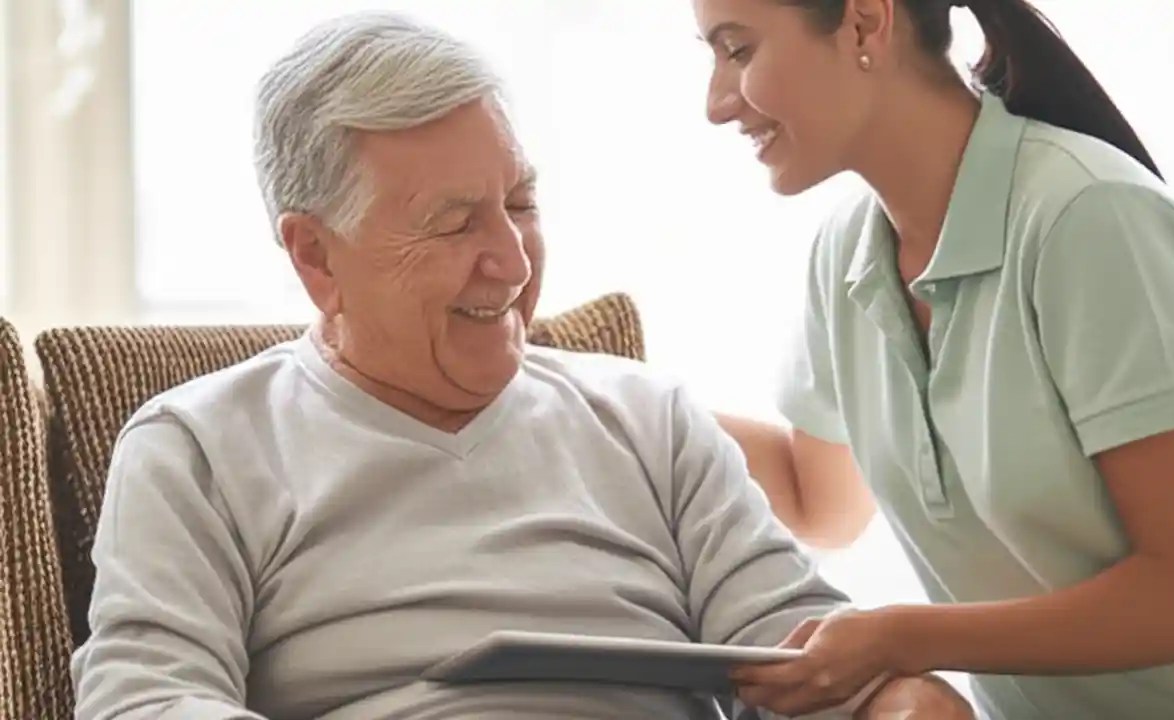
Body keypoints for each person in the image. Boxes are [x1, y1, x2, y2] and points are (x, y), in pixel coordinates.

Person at [70, 12, 975, 720]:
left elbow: (801, 644)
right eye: (456, 223)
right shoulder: (196, 449)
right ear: (316, 257)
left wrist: (903, 699)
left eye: (521, 201)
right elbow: (145, 697)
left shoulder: (649, 420)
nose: (512, 261)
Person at [695, 0, 1174, 717]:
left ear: (863, 23)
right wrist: (603, 389)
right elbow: (820, 498)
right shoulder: (847, 255)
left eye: (739, 51)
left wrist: (901, 638)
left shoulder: (1090, 220)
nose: (717, 104)